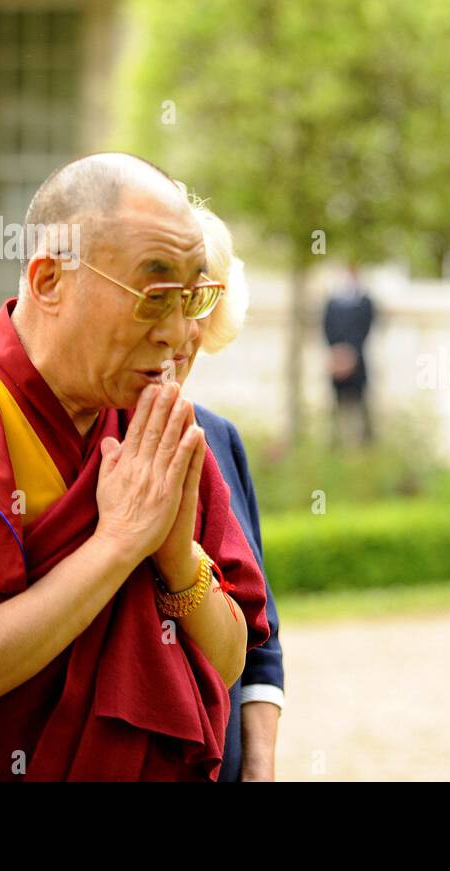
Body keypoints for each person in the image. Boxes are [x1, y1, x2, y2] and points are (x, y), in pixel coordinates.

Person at [0, 152, 268, 780]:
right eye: (155, 295)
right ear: (50, 280)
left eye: (193, 297)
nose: (178, 332)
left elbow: (226, 660)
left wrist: (174, 558)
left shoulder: (149, 427)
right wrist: (117, 544)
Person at [174, 190, 285, 782]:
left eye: (198, 303)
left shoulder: (220, 437)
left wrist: (260, 766)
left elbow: (262, 632)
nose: (181, 332)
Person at [323, 265, 375, 445]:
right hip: (337, 360)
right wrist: (338, 352)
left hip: (358, 359)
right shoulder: (332, 302)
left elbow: (366, 328)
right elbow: (326, 328)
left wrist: (351, 353)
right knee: (336, 404)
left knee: (360, 402)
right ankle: (336, 442)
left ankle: (364, 443)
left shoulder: (366, 302)